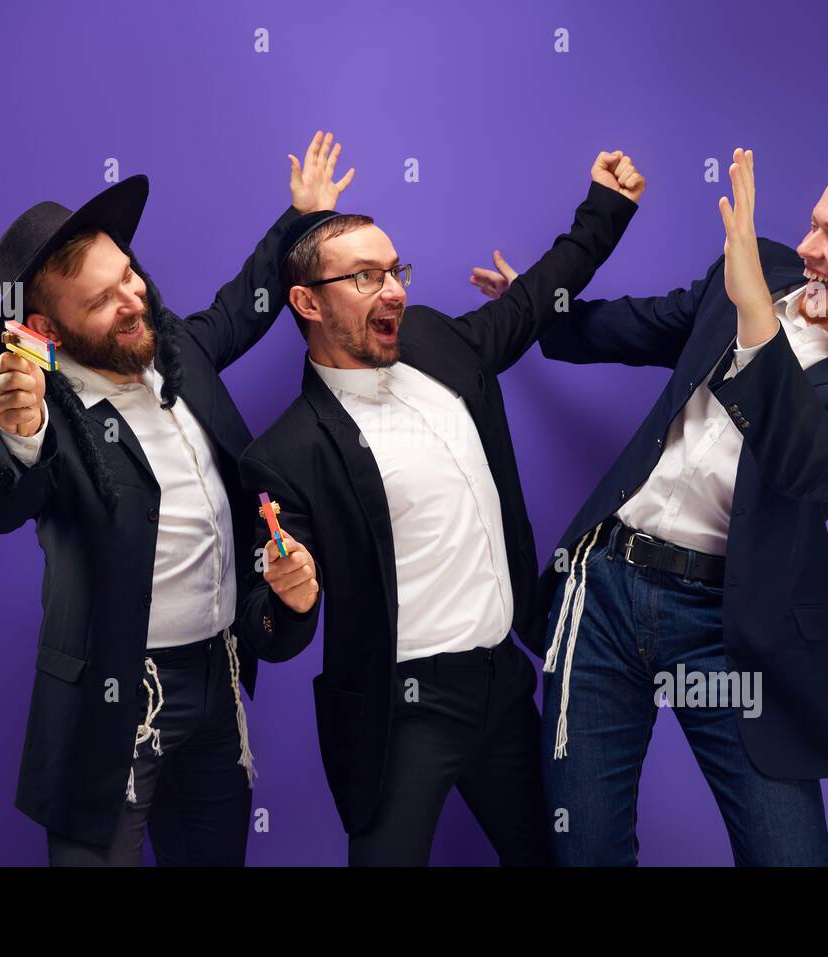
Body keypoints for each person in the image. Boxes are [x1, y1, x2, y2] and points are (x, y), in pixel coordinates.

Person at [472, 149, 828, 865]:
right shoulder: (766, 269)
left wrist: (758, 317)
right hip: (605, 589)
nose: (808, 248)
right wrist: (532, 308)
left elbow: (812, 462)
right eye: (815, 225)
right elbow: (642, 326)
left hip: (733, 626)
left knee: (788, 856)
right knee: (584, 851)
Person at [0, 132, 353, 865]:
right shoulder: (39, 403)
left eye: (129, 276)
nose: (133, 299)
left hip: (214, 679)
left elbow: (245, 302)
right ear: (46, 329)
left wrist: (301, 218)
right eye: (102, 301)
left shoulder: (177, 350)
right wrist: (17, 435)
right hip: (110, 703)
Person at [236, 151, 644, 865]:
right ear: (307, 302)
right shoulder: (286, 454)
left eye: (395, 270)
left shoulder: (433, 341)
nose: (391, 290)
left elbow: (530, 300)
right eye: (365, 276)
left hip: (503, 681)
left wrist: (604, 206)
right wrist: (290, 598)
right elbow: (270, 631)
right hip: (402, 713)